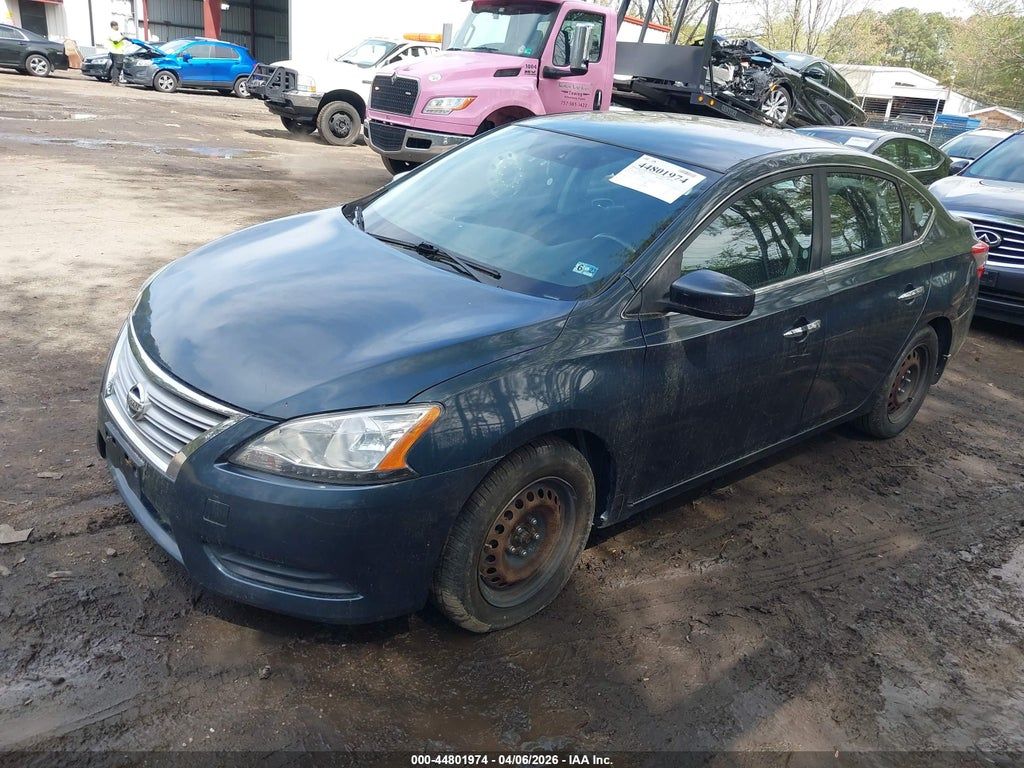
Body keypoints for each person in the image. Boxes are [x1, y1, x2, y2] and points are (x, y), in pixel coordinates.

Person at [107, 21, 127, 86]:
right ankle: (115, 81)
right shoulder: (113, 33)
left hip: (115, 52)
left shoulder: (116, 33)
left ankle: (114, 81)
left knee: (115, 66)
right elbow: (116, 42)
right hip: (117, 52)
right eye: (116, 25)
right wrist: (122, 38)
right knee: (118, 67)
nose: (117, 27)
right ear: (113, 26)